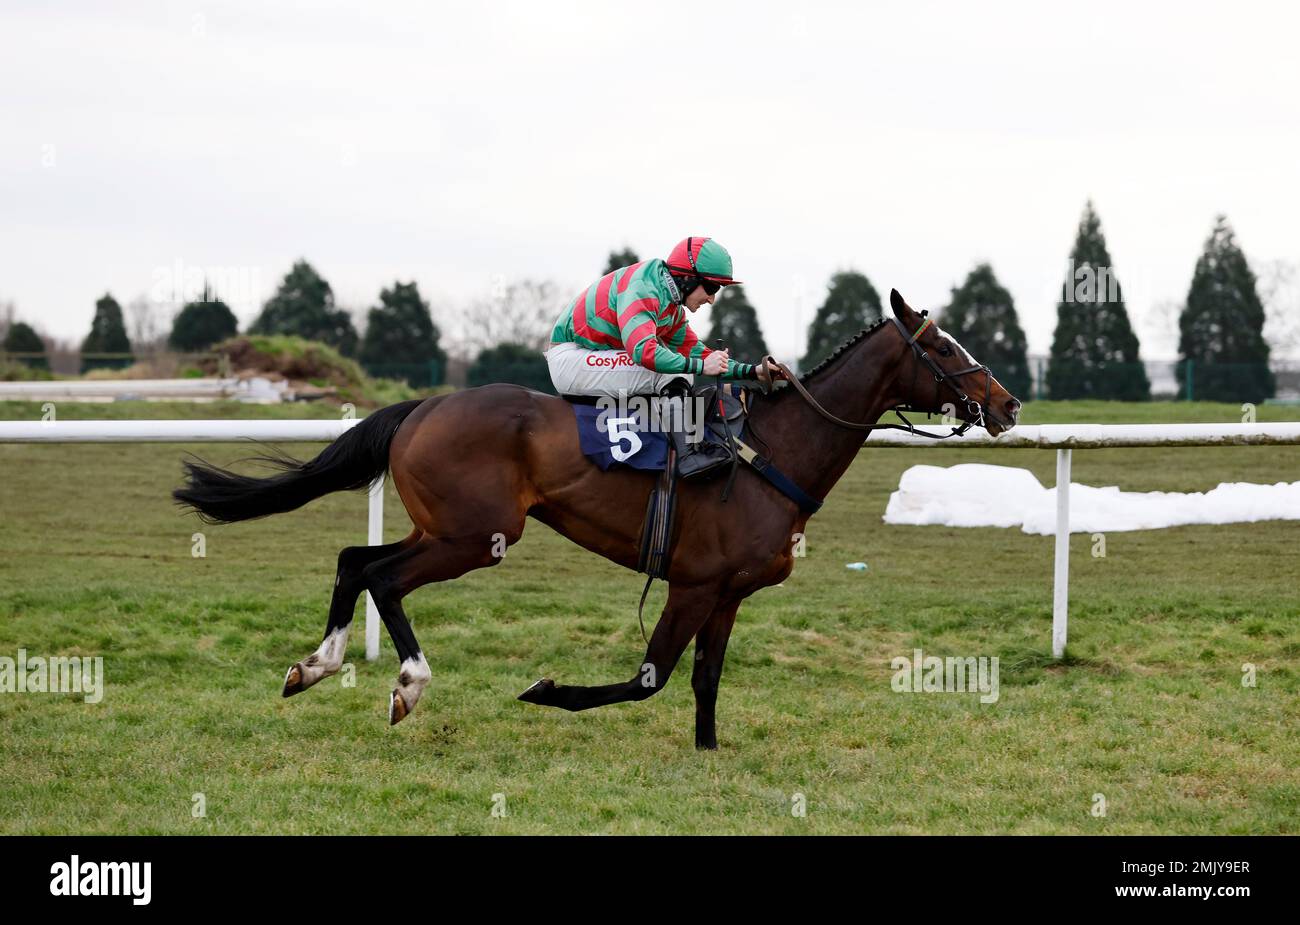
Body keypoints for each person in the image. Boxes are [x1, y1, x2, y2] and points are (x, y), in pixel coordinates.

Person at [547, 237, 778, 477]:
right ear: (688, 278)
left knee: (680, 369)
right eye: (711, 288)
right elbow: (643, 351)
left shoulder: (670, 303)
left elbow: (694, 351)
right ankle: (689, 457)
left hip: (594, 355)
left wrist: (752, 371)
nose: (712, 299)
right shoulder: (644, 288)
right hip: (571, 358)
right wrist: (700, 366)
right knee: (676, 371)